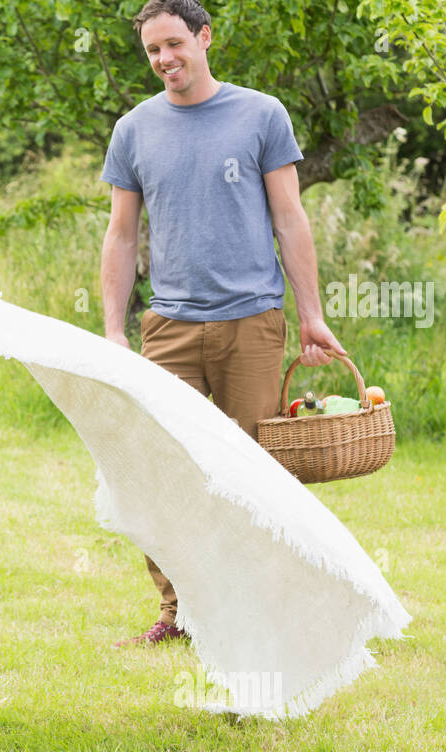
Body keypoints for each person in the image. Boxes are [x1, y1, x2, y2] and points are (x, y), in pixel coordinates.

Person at [99, 0, 347, 647]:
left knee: (254, 476)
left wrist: (312, 315)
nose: (164, 60)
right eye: (153, 50)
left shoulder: (262, 115)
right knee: (161, 470)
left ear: (205, 37)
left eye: (175, 44)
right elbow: (121, 237)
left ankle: (257, 610)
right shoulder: (134, 130)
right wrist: (113, 333)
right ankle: (178, 610)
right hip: (170, 329)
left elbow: (290, 219)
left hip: (252, 326)